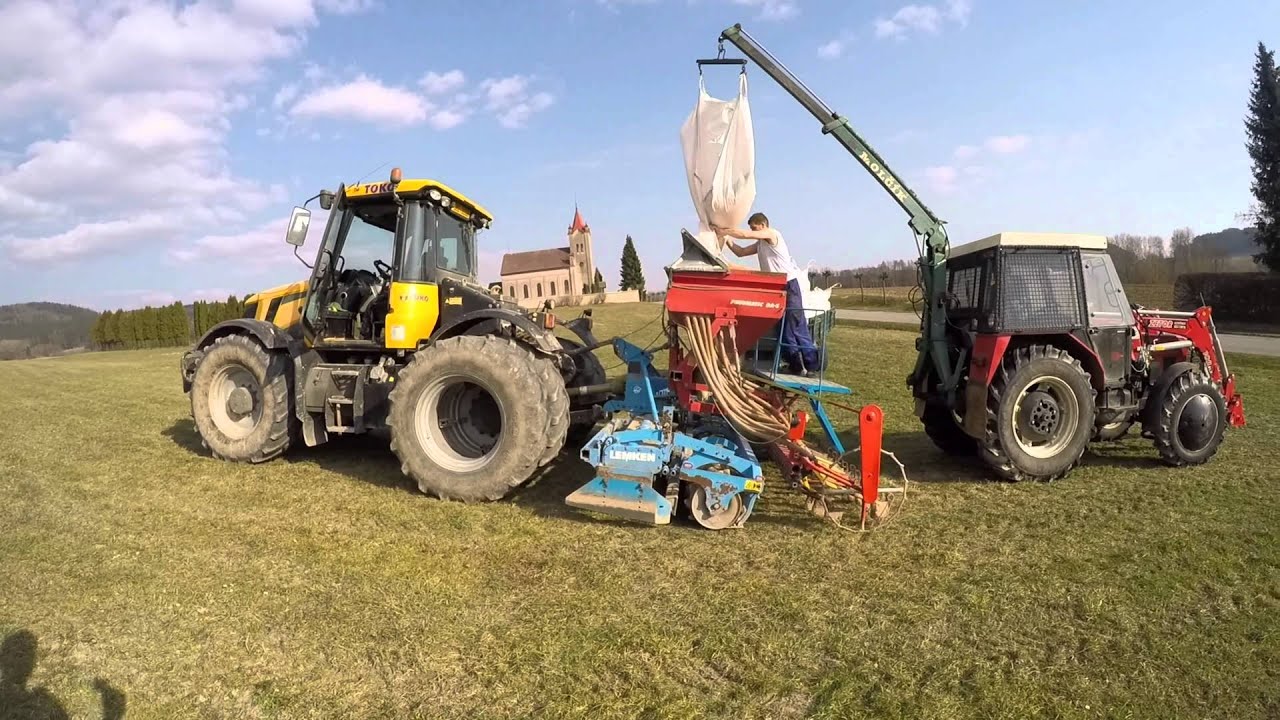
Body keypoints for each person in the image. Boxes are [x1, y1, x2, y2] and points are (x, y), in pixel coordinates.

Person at [714, 212, 821, 377]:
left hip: (789, 285)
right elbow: (741, 252)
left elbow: (745, 234)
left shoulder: (772, 234)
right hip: (775, 288)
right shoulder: (760, 244)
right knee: (781, 329)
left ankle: (812, 366)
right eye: (752, 229)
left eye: (755, 228)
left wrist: (725, 230)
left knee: (795, 327)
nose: (753, 232)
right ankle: (796, 367)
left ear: (763, 225)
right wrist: (727, 240)